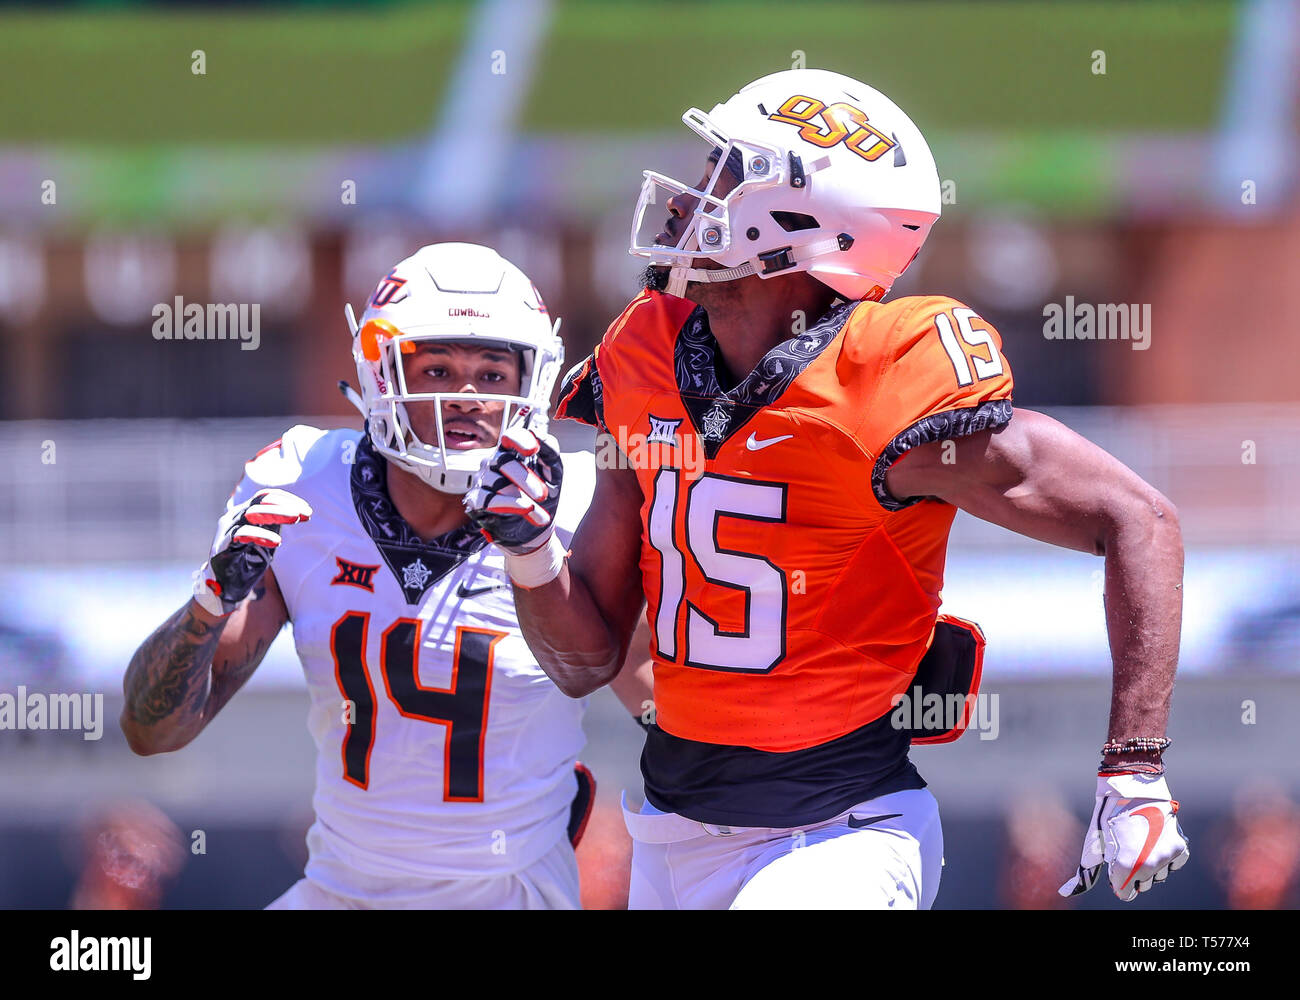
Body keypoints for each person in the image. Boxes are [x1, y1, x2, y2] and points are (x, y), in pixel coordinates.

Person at [465, 69, 1190, 909]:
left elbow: (1136, 516)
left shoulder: (886, 375)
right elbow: (586, 659)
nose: (695, 192)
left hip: (837, 835)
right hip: (670, 831)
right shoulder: (647, 348)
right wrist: (527, 553)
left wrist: (1134, 767)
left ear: (800, 221)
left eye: (728, 173)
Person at [122, 242, 652, 909]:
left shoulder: (574, 502)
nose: (468, 398)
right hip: (340, 890)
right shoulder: (301, 483)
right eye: (437, 369)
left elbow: (643, 695)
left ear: (531, 382)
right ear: (380, 373)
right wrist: (207, 605)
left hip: (507, 895)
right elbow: (152, 730)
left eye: (492, 374)